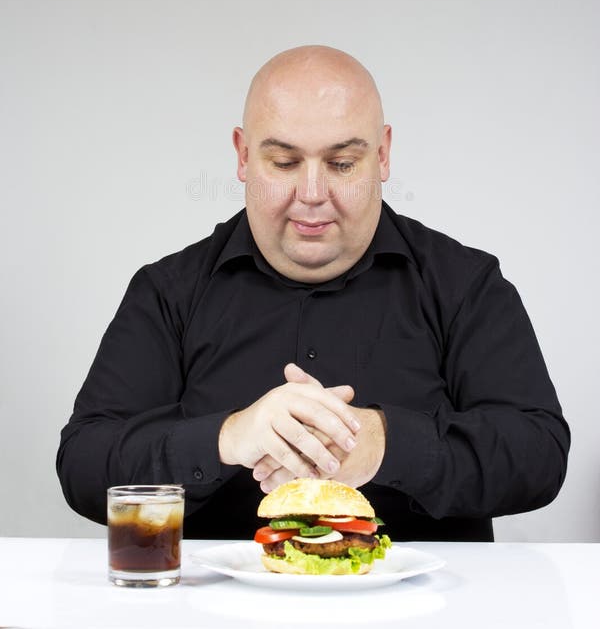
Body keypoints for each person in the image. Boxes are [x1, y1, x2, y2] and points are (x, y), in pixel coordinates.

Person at [57, 46, 569, 541]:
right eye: (284, 162)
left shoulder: (464, 284)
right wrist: (226, 438)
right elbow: (83, 464)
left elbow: (540, 456)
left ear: (383, 155)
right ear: (242, 155)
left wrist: (385, 445)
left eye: (342, 163)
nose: (312, 193)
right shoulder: (169, 291)